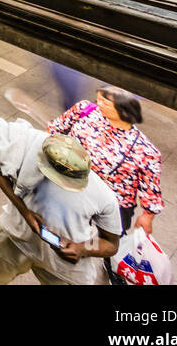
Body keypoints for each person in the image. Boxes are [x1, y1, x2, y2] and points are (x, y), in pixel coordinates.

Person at [0, 130, 121, 285]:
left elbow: (112, 244)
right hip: (14, 237)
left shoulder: (105, 197)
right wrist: (25, 212)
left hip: (60, 265)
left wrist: (82, 249)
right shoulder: (31, 145)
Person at [48, 88, 163, 237]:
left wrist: (147, 216)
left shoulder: (145, 151)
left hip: (110, 205)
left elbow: (150, 189)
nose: (99, 104)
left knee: (103, 242)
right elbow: (55, 128)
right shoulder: (85, 109)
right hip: (70, 186)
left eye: (105, 102)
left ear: (124, 109)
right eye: (98, 99)